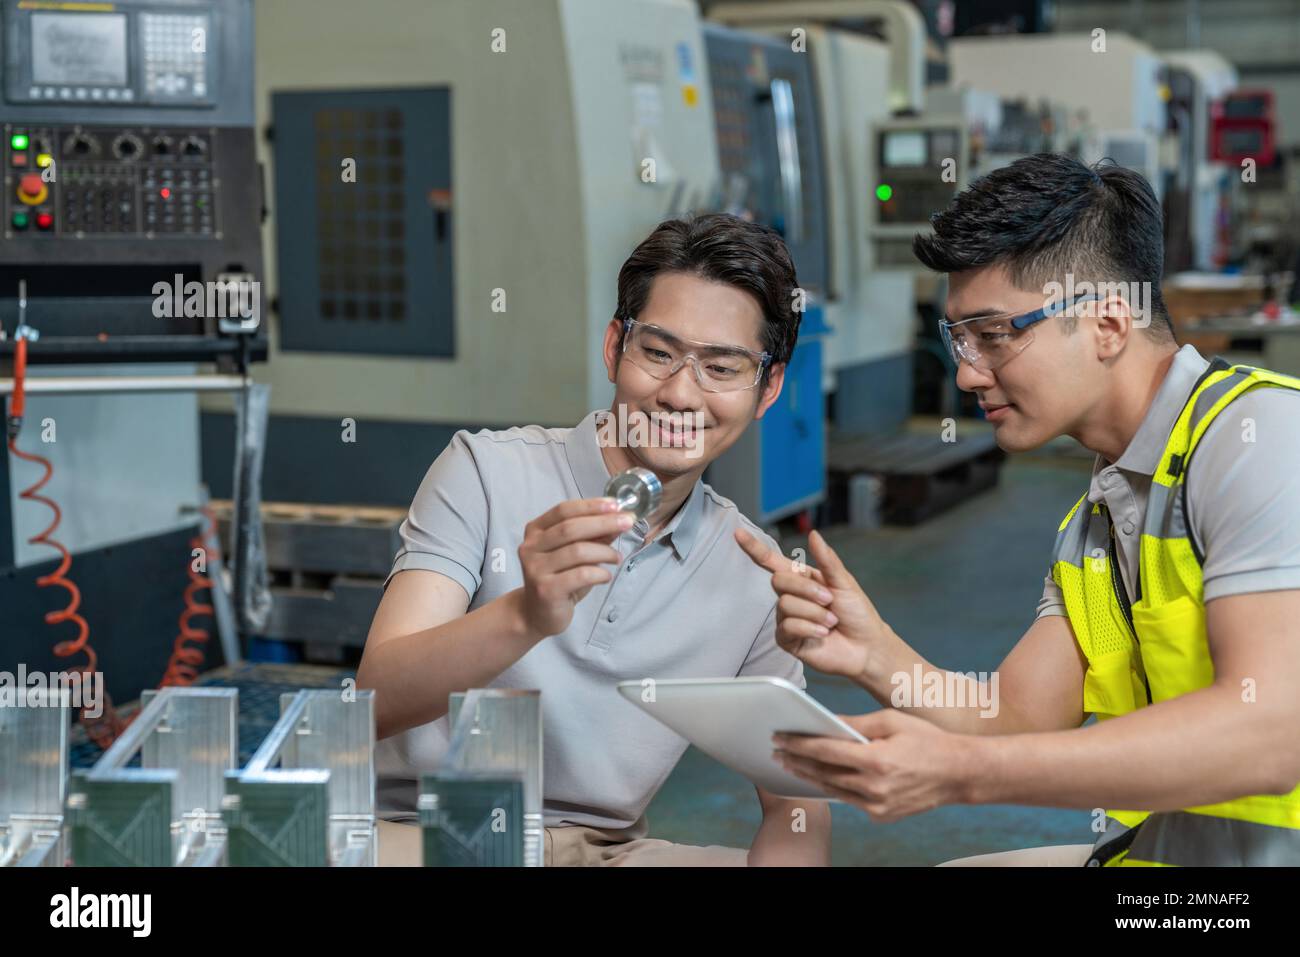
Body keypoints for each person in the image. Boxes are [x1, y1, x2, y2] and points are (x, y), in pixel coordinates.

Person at [738, 153, 1300, 866]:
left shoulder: (1258, 440)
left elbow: (1273, 730)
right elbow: (1016, 716)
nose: (968, 373)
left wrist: (961, 773)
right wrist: (873, 651)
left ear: (1107, 321)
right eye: (959, 338)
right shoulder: (1099, 520)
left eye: (995, 334)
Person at [360, 212, 830, 866]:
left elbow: (798, 799)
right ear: (615, 347)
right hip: (428, 837)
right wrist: (524, 615)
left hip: (604, 853)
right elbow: (373, 697)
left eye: (722, 367)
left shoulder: (754, 568)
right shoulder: (485, 471)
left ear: (768, 388)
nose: (679, 393)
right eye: (659, 352)